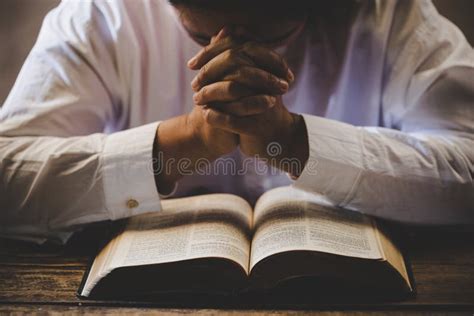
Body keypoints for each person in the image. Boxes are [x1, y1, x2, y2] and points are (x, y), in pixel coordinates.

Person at [0, 0, 472, 244]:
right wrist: (181, 143)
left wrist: (292, 141)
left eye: (273, 36)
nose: (231, 57)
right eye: (199, 34)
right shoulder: (105, 14)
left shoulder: (388, 14)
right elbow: (7, 173)